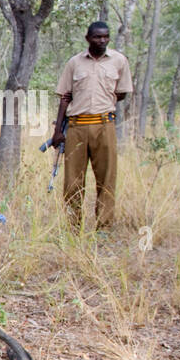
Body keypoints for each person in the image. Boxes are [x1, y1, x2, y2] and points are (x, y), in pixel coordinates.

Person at [51, 21, 132, 229]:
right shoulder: (75, 63)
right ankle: (73, 228)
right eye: (97, 37)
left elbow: (120, 93)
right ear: (88, 38)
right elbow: (65, 97)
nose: (102, 40)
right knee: (72, 183)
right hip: (77, 127)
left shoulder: (119, 61)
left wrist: (103, 104)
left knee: (106, 179)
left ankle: (103, 228)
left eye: (106, 36)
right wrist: (57, 131)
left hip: (105, 126)